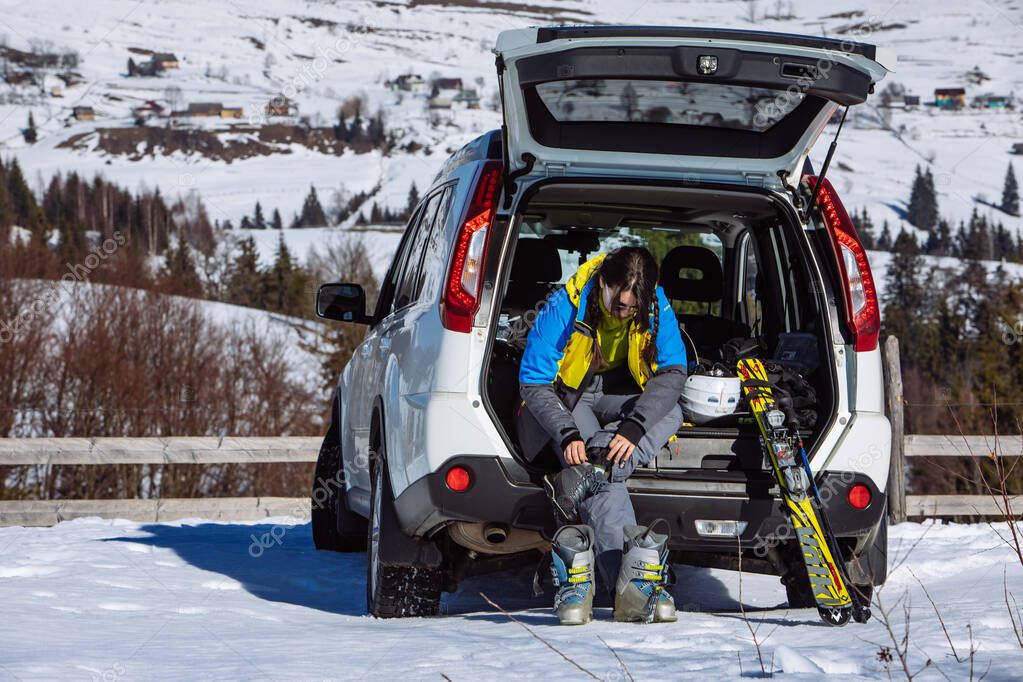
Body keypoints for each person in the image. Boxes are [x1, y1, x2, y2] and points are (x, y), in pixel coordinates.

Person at [516, 246, 687, 625]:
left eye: (632, 309)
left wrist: (634, 426)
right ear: (603, 284)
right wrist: (566, 434)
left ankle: (596, 468)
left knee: (672, 410)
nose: (624, 312)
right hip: (566, 400)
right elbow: (533, 383)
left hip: (614, 397)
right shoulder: (565, 303)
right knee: (606, 487)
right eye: (618, 303)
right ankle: (632, 585)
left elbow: (674, 372)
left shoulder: (653, 302)